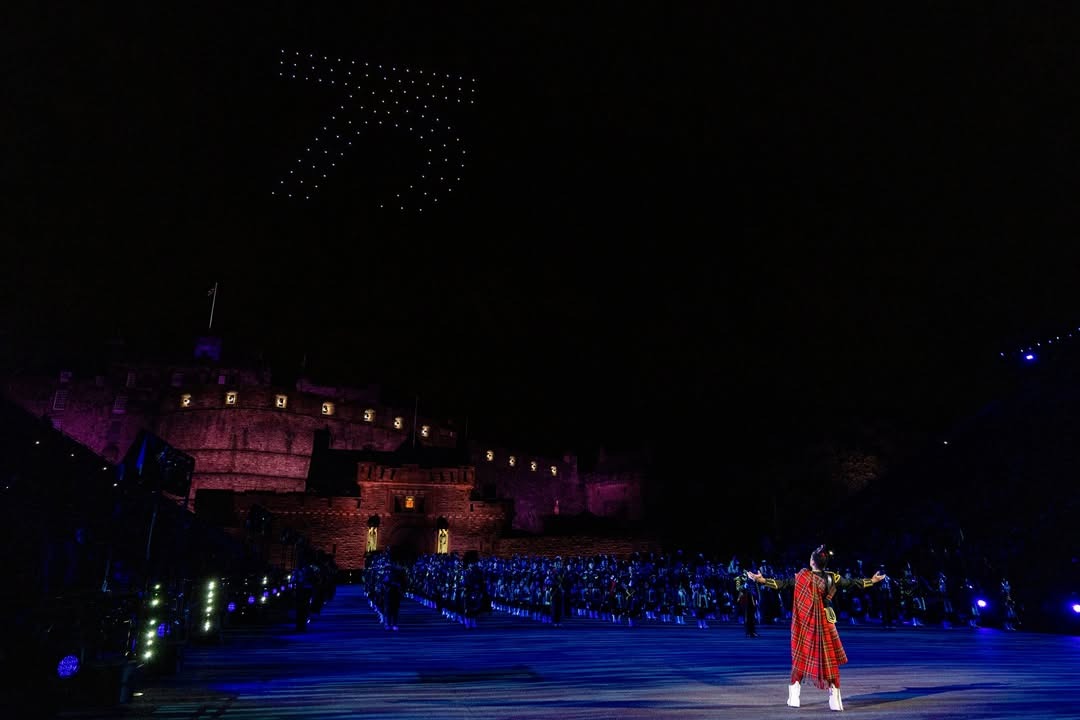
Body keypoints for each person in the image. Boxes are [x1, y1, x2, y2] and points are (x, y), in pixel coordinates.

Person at [747, 545, 885, 711]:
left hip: (806, 624)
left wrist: (761, 580)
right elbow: (854, 583)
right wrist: (873, 580)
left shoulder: (802, 577)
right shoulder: (832, 577)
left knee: (801, 659)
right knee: (829, 660)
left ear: (812, 561)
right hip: (826, 622)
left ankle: (794, 696)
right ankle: (834, 698)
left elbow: (782, 584)